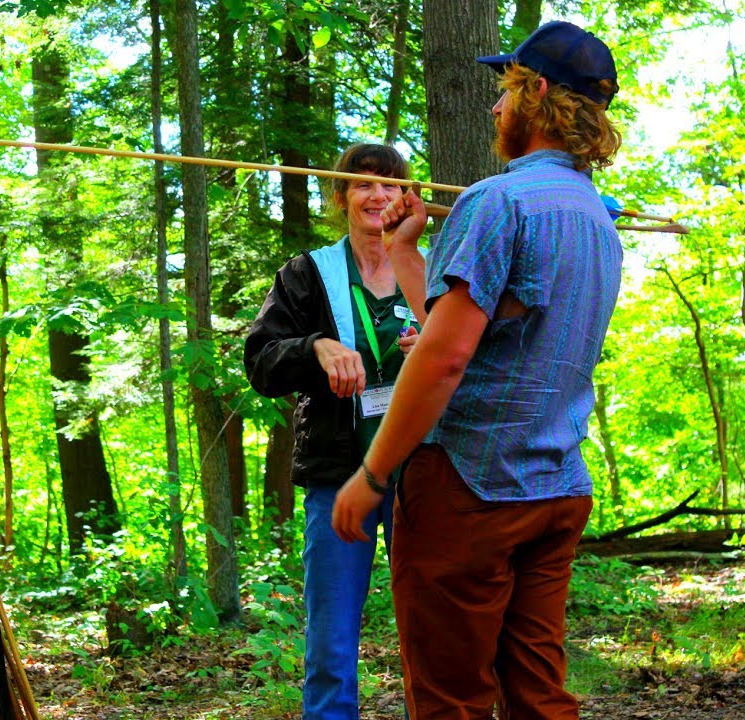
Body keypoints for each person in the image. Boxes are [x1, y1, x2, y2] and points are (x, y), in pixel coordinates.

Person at [330, 20, 624, 720]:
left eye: (507, 90)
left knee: (451, 700)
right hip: (554, 487)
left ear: (538, 92)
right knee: (537, 696)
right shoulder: (596, 216)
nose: (496, 108)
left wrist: (373, 474)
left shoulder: (497, 202)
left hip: (470, 489)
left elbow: (445, 356)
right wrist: (407, 254)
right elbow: (477, 330)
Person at [243, 143, 422, 720]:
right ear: (340, 196)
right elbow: (261, 361)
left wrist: (436, 349)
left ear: (406, 197)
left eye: (390, 185)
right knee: (331, 640)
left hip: (425, 476)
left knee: (434, 632)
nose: (378, 196)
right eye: (364, 185)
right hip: (337, 477)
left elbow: (480, 359)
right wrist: (313, 346)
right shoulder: (307, 273)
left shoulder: (433, 269)